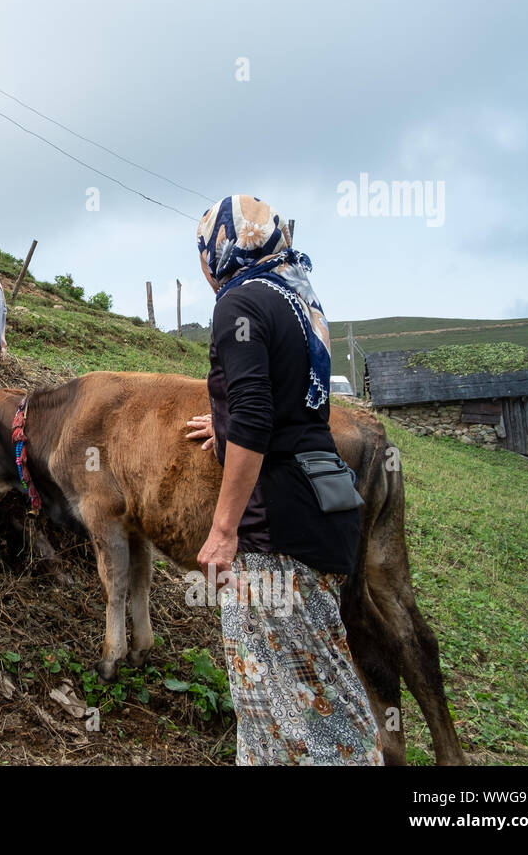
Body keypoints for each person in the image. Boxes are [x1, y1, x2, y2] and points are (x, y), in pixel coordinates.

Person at [184, 194, 383, 766]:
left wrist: (223, 529)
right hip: (323, 504)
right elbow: (287, 405)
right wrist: (224, 426)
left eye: (202, 251)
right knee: (275, 693)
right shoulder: (298, 297)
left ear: (220, 247)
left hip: (278, 529)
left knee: (308, 711)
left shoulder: (239, 301)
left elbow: (256, 415)